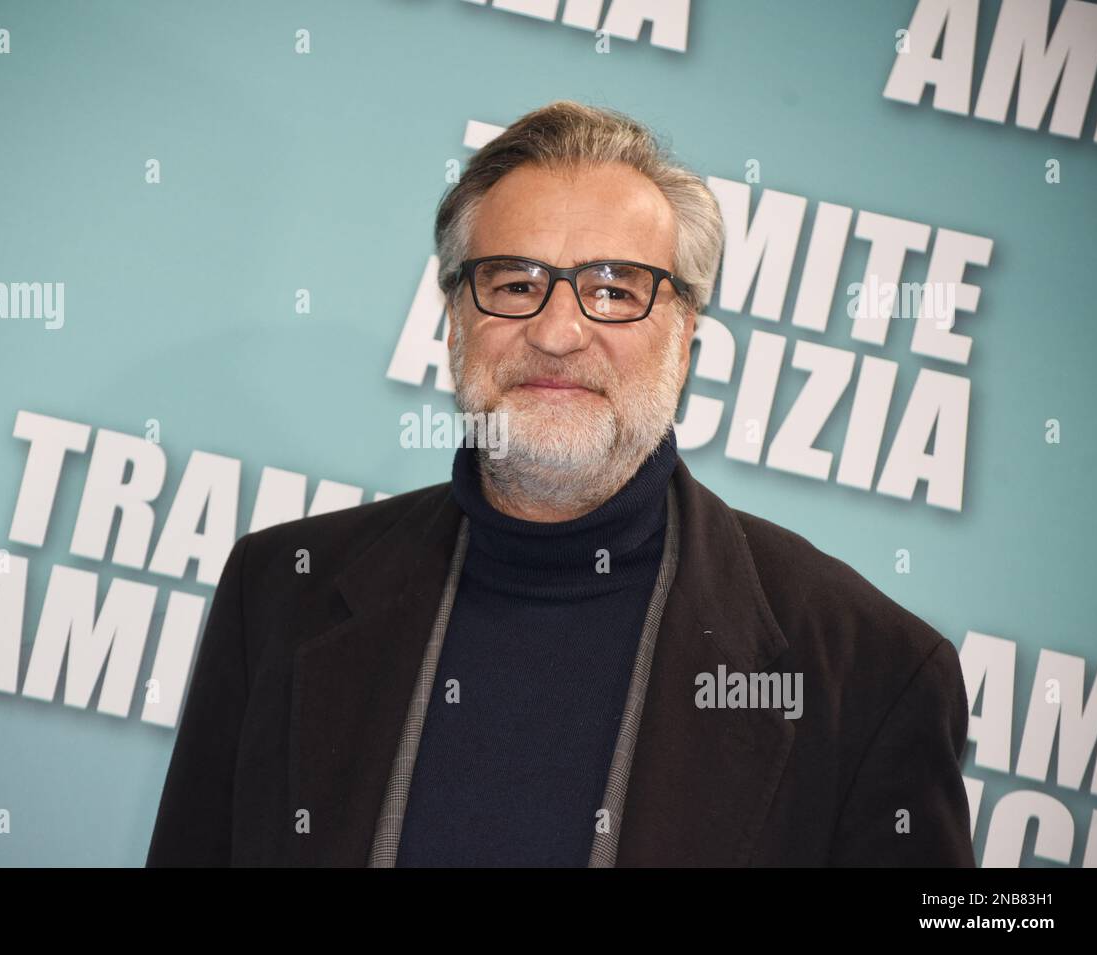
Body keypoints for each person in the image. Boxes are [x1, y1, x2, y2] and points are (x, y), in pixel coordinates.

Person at [146, 100, 975, 867]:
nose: (557, 329)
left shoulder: (871, 675)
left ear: (685, 338)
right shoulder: (278, 594)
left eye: (615, 289)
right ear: (454, 323)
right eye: (514, 284)